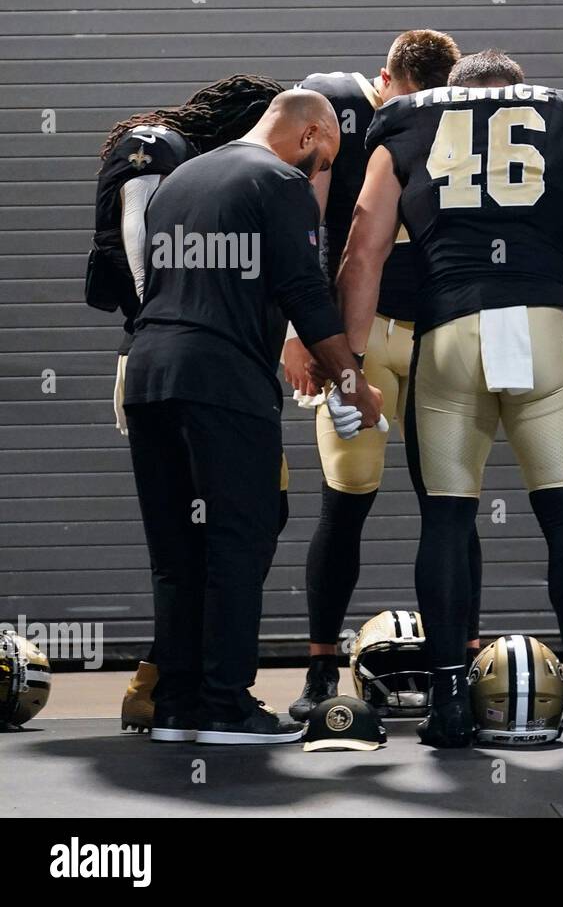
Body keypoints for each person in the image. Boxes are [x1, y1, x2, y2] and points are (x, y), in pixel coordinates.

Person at [336, 49, 563, 746]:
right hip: (538, 330)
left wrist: (349, 366)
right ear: (517, 84)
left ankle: (447, 705)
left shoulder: (406, 121)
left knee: (445, 522)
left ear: (454, 89)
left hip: (447, 333)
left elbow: (362, 252)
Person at [124, 90, 382, 745]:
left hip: (151, 376)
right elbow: (305, 292)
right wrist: (352, 382)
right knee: (241, 536)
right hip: (222, 381)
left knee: (176, 551)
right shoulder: (278, 181)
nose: (318, 176)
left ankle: (178, 702)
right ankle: (226, 706)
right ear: (310, 134)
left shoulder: (181, 178)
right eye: (323, 162)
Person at [87, 74, 286, 733]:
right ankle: (204, 690)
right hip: (180, 360)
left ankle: (178, 687)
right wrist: (172, 321)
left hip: (169, 358)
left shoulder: (188, 158)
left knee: (198, 539)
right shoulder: (155, 144)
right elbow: (141, 242)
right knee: (222, 534)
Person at [283, 30, 463, 722]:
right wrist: (300, 334)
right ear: (383, 78)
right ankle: (321, 666)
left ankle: (457, 663)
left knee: (450, 506)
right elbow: (300, 215)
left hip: (442, 331)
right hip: (355, 339)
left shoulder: (460, 111)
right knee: (346, 498)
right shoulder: (331, 102)